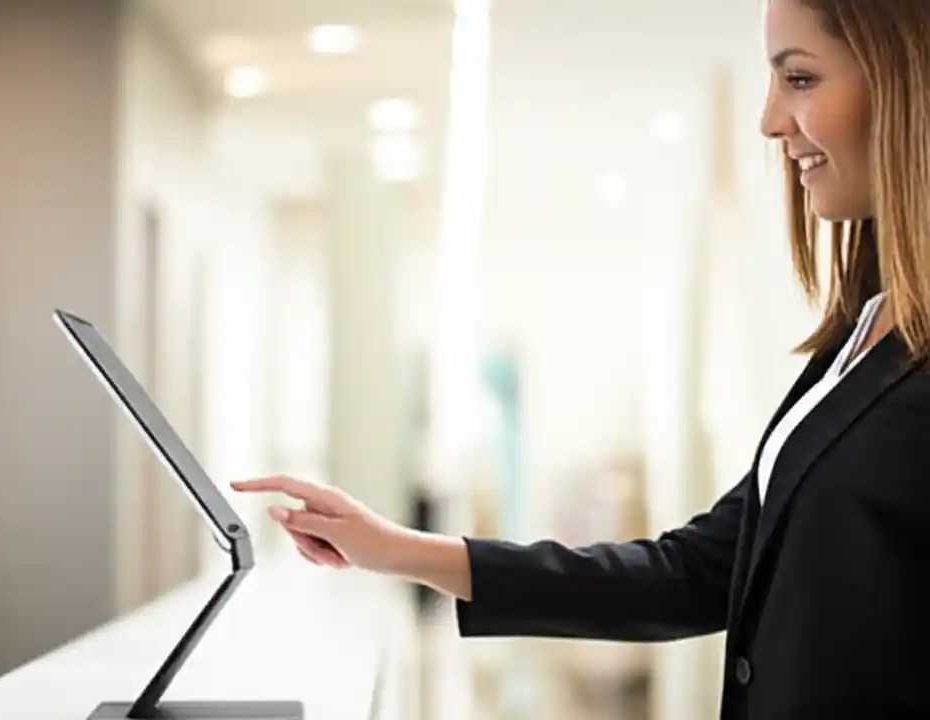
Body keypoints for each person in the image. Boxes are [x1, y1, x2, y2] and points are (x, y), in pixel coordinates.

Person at [232, 1, 930, 718]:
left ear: (906, 83)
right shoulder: (860, 333)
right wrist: (400, 550)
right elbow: (694, 574)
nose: (771, 119)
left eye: (801, 79)